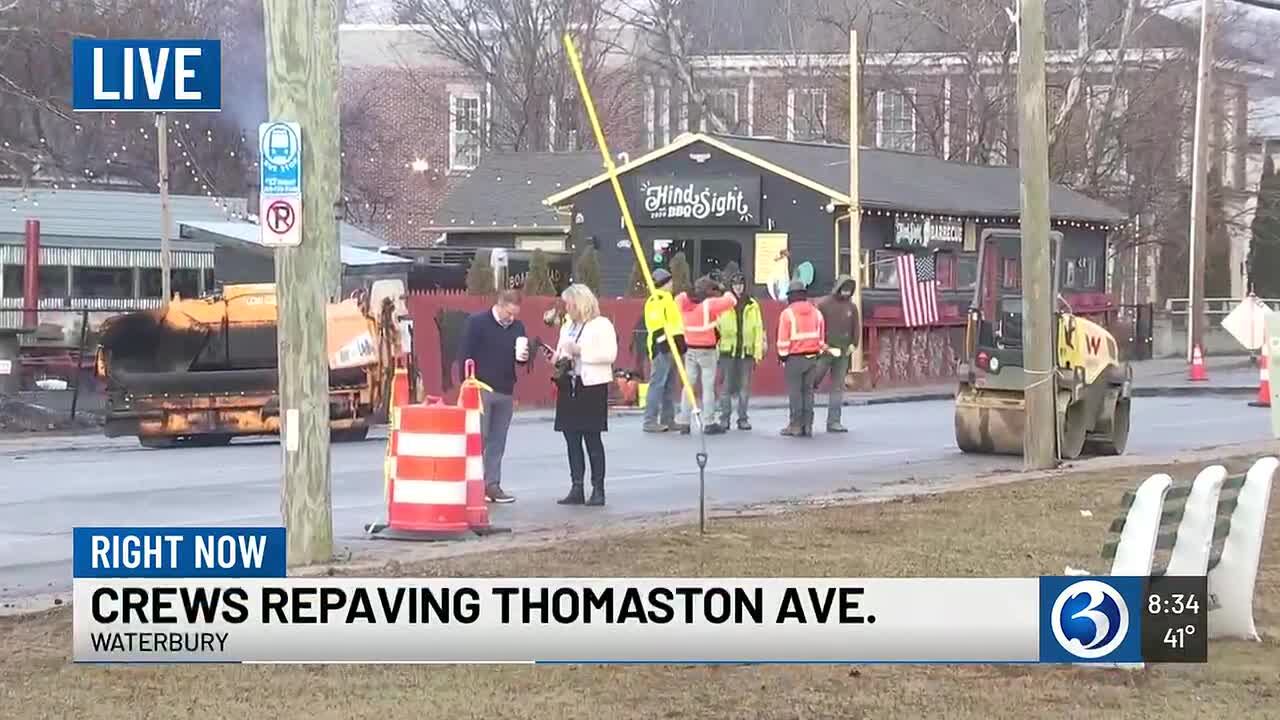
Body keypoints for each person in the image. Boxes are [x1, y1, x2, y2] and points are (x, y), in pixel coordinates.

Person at [459, 289, 529, 503]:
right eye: (508, 313)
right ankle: (470, 485)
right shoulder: (477, 322)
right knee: (478, 438)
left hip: (506, 389)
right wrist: (467, 383)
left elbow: (520, 360)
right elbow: (464, 354)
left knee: (498, 441)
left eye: (515, 314)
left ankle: (492, 485)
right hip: (481, 387)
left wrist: (524, 358)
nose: (511, 318)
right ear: (499, 304)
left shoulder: (518, 327)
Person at [551, 284, 618, 506]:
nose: (566, 307)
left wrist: (581, 352)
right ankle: (576, 487)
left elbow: (610, 354)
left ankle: (598, 489)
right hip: (569, 383)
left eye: (569, 303)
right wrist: (556, 357)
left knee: (592, 438)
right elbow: (562, 350)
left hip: (592, 386)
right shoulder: (568, 325)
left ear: (580, 303)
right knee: (571, 438)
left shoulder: (601, 325)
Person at [674, 275, 737, 434]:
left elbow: (680, 297)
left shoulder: (683, 301)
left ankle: (684, 421)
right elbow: (731, 301)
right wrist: (723, 289)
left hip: (690, 349)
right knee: (708, 387)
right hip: (707, 351)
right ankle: (708, 422)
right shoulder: (709, 305)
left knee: (688, 386)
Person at [715, 272, 766, 430]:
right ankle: (725, 418)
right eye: (736, 284)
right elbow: (716, 328)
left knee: (744, 388)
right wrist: (716, 350)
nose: (738, 287)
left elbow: (758, 329)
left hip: (746, 351)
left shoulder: (752, 304)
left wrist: (757, 352)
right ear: (731, 286)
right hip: (727, 351)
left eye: (741, 284)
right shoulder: (722, 304)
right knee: (726, 388)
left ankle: (742, 418)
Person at [776, 280, 826, 437]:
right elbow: (821, 339)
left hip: (794, 359)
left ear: (790, 296)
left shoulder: (787, 314)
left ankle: (795, 426)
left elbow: (783, 340)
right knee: (808, 392)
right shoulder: (817, 313)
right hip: (812, 357)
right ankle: (808, 426)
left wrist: (782, 357)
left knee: (795, 393)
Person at [813, 274, 861, 433]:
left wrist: (854, 345)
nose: (846, 293)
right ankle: (803, 416)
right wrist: (821, 345)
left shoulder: (851, 307)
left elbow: (856, 328)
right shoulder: (824, 304)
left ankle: (834, 421)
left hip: (843, 353)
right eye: (844, 289)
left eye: (849, 290)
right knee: (812, 380)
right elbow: (816, 325)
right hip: (826, 351)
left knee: (837, 388)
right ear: (838, 287)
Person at [642, 268, 686, 433]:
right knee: (657, 384)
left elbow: (674, 324)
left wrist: (679, 342)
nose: (672, 284)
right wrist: (666, 344)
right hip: (662, 349)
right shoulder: (657, 300)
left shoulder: (668, 300)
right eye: (670, 281)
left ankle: (668, 418)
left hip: (672, 347)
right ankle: (649, 420)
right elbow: (657, 326)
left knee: (669, 384)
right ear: (664, 283)